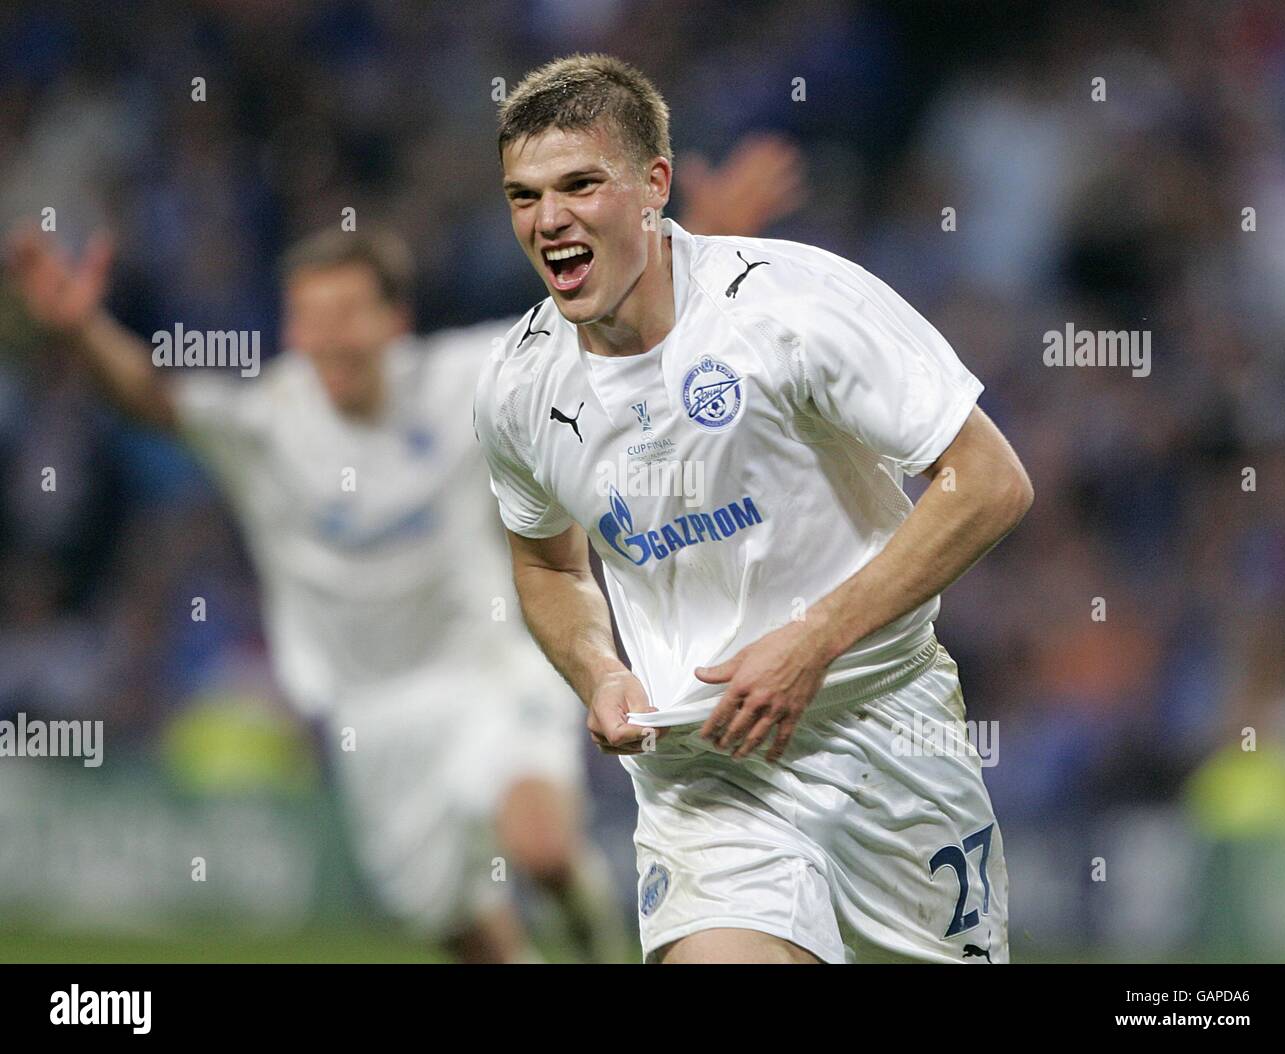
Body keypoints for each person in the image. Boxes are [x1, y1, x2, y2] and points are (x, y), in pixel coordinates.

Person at [5, 134, 806, 963]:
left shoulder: (467, 377)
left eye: (350, 313)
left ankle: (597, 936)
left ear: (393, 320)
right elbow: (152, 397)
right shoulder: (268, 425)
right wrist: (82, 327)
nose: (331, 337)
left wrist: (683, 244)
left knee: (538, 846)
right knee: (463, 931)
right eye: (311, 318)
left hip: (489, 666)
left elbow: (599, 318)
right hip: (370, 712)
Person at [474, 54, 1034, 964]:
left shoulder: (792, 305)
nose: (549, 221)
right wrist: (598, 670)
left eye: (580, 184)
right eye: (523, 196)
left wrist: (812, 641)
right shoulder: (515, 385)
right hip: (707, 773)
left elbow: (989, 481)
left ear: (655, 183)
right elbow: (545, 563)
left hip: (886, 736)